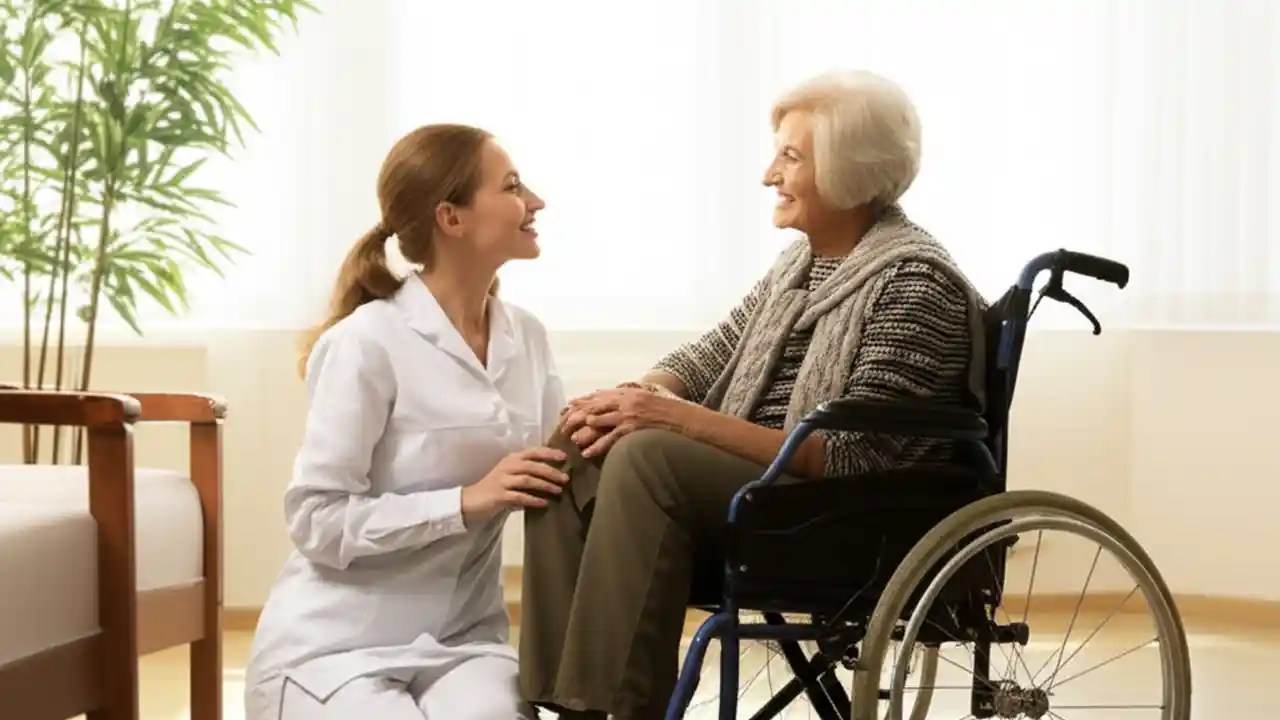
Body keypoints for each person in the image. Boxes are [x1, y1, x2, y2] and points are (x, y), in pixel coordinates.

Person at [517, 70, 989, 719]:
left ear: (849, 169)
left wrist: (671, 419)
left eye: (791, 157)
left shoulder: (915, 280)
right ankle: (560, 703)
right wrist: (639, 394)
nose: (770, 175)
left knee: (647, 455)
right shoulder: (798, 266)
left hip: (846, 513)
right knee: (576, 441)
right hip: (772, 492)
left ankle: (618, 707)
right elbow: (706, 356)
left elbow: (847, 455)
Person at [245, 123, 565, 719]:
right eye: (513, 187)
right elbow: (316, 520)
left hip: (463, 643)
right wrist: (464, 502)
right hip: (334, 647)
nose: (536, 201)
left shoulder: (528, 337)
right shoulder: (365, 342)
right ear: (451, 217)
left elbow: (557, 473)